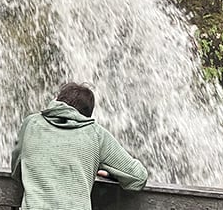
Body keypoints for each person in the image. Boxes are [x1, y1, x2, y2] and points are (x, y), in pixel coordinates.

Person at [10, 82, 148, 210]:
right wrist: (112, 173)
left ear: (56, 101)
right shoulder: (96, 134)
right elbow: (138, 177)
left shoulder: (31, 123)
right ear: (86, 115)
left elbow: (16, 168)